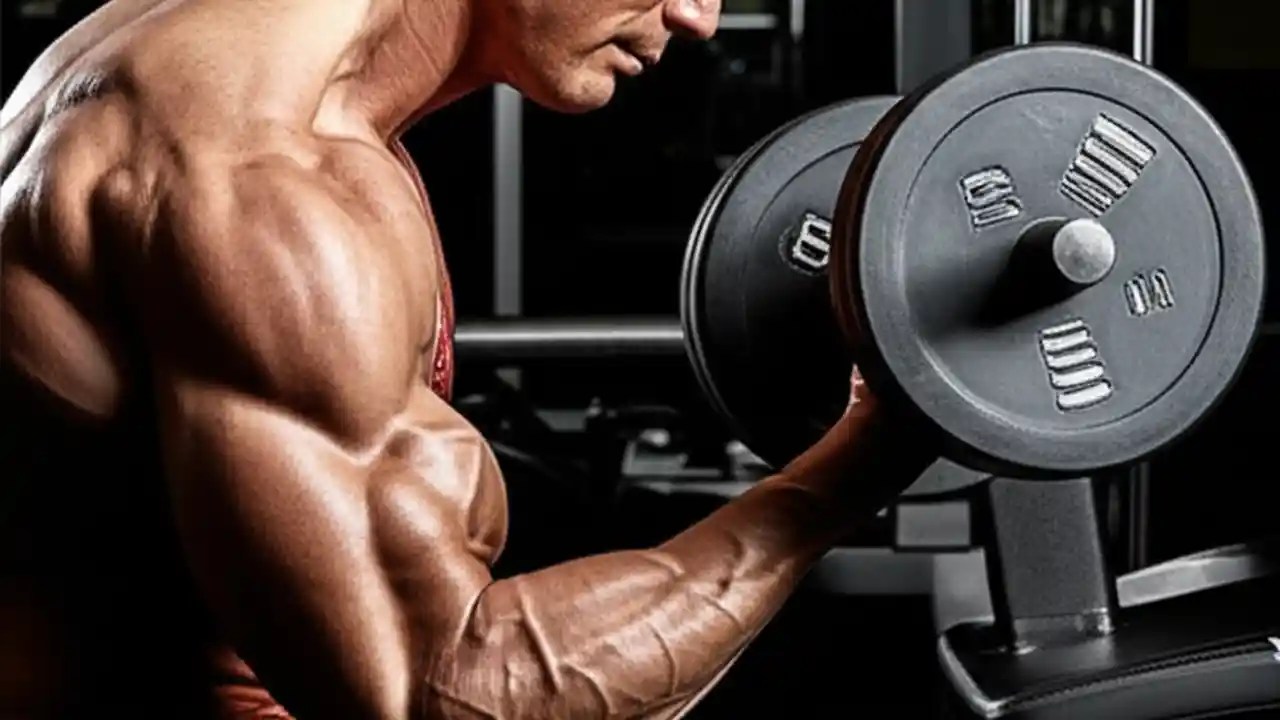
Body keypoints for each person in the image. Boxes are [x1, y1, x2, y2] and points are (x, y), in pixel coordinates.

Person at [0, 0, 933, 716]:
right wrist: (858, 463)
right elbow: (445, 689)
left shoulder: (189, 52)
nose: (697, 18)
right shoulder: (266, 189)